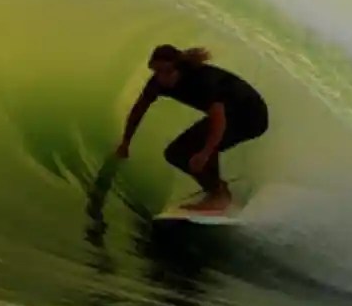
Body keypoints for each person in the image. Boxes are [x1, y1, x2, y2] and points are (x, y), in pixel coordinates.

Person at [115, 44, 269, 212]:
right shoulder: (158, 83)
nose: (160, 78)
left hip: (251, 115)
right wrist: (125, 143)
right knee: (175, 153)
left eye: (166, 72)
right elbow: (138, 110)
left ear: (178, 69)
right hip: (231, 114)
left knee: (187, 150)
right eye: (156, 71)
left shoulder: (200, 80)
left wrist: (205, 153)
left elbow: (219, 122)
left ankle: (219, 195)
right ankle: (218, 187)